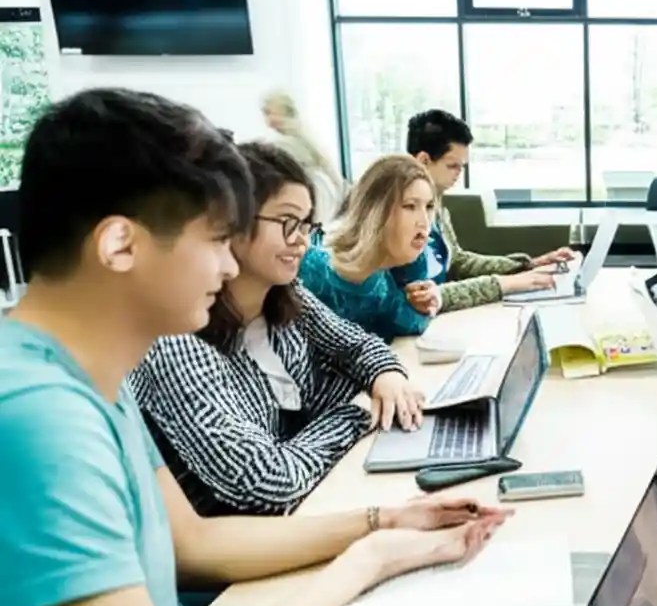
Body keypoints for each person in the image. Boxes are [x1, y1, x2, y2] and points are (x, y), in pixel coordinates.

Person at [0, 88, 508, 606]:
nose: (228, 265)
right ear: (120, 245)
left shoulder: (91, 375)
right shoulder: (38, 418)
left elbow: (191, 544)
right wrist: (368, 561)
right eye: (218, 239)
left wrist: (384, 523)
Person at [130, 143, 425, 520]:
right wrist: (360, 412)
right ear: (232, 222)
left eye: (305, 224)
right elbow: (268, 482)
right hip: (239, 542)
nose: (301, 239)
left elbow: (355, 347)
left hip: (311, 500)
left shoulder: (285, 294)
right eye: (287, 221)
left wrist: (386, 376)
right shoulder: (176, 338)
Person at [396, 109, 574, 310]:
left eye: (462, 166)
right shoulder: (397, 215)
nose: (459, 173)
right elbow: (421, 296)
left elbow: (457, 262)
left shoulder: (437, 206)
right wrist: (508, 283)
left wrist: (527, 265)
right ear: (423, 161)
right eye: (453, 166)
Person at [298, 154, 442, 342]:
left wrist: (431, 299)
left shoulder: (392, 274)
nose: (424, 222)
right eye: (410, 206)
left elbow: (409, 321)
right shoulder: (311, 270)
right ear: (375, 212)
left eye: (429, 207)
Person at [262, 90, 347, 224]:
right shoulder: (303, 133)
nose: (267, 118)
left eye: (269, 112)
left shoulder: (285, 143)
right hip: (322, 192)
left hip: (315, 192)